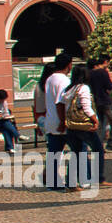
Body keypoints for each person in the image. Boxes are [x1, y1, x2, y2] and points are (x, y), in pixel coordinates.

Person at [61, 64, 112, 190]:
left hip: (72, 126)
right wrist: (95, 120)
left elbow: (63, 106)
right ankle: (99, 178)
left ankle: (71, 183)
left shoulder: (68, 89)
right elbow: (86, 107)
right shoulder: (83, 88)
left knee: (76, 153)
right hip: (84, 126)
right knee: (98, 149)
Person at [41, 55, 72, 190]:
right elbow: (60, 102)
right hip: (61, 122)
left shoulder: (49, 79)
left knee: (54, 154)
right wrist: (63, 121)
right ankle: (78, 180)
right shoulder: (64, 80)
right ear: (69, 65)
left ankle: (52, 182)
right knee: (79, 150)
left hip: (51, 121)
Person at [87, 57, 112, 152]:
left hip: (95, 101)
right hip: (105, 101)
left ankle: (98, 145)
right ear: (105, 62)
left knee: (100, 123)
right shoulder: (102, 72)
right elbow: (109, 86)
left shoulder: (89, 74)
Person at [0, 89, 30, 153]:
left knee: (5, 129)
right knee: (6, 124)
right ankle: (18, 135)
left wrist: (5, 116)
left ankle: (10, 148)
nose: (2, 102)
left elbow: (6, 113)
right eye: (1, 100)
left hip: (1, 122)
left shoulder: (4, 103)